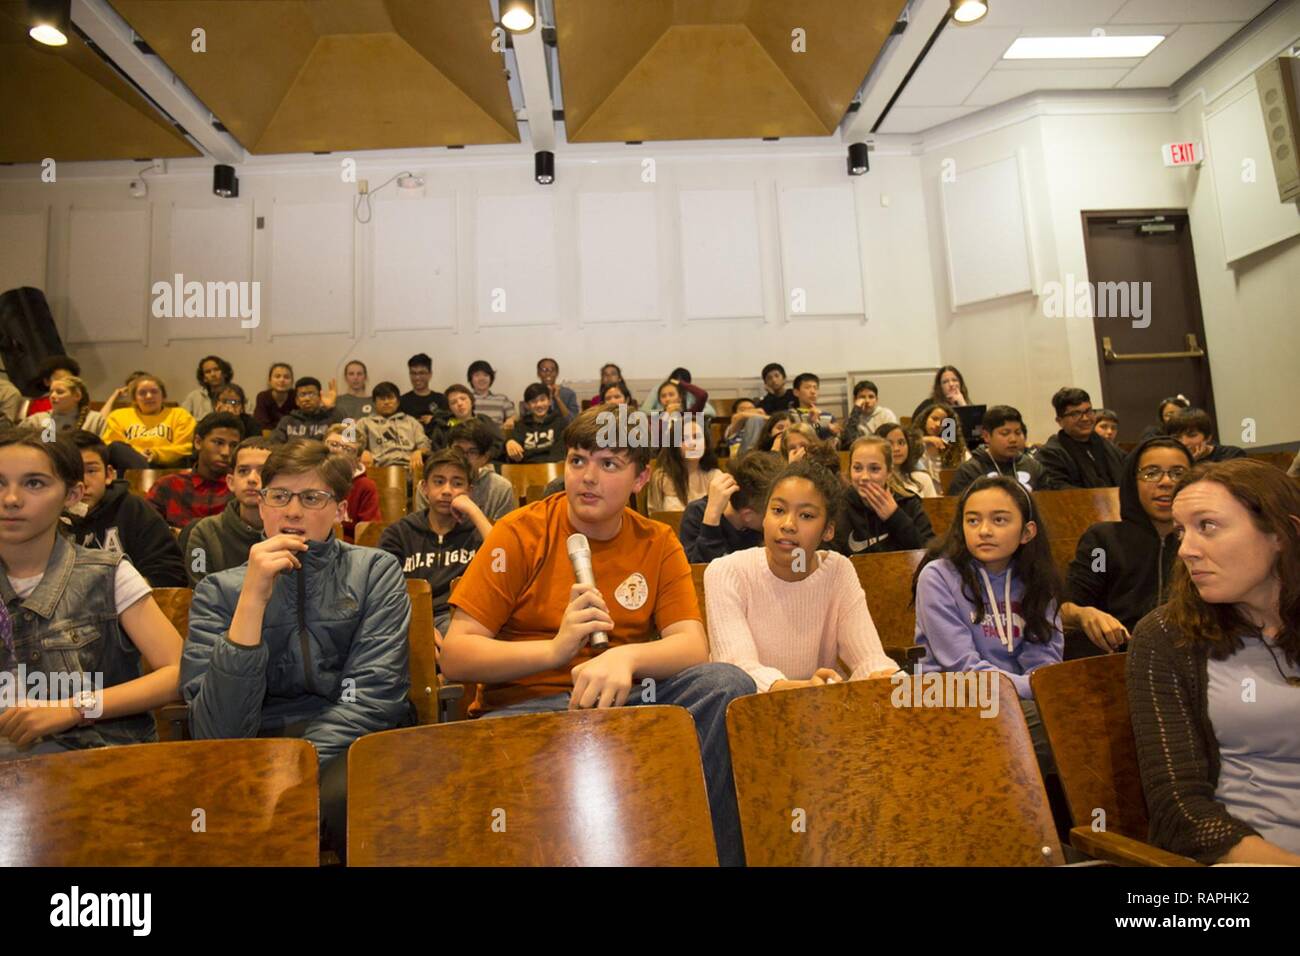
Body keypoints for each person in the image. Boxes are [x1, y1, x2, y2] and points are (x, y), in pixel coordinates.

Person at [441, 404, 756, 866]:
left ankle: (702, 852)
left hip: (622, 703)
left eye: (608, 464)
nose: (587, 476)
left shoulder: (658, 541)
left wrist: (624, 660)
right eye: (577, 460)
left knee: (727, 684)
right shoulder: (518, 533)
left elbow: (692, 644)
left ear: (640, 479)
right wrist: (554, 650)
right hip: (531, 710)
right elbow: (456, 655)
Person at [181, 439, 412, 862]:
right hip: (254, 744)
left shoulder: (375, 571)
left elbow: (376, 695)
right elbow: (217, 732)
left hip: (351, 742)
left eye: (311, 497)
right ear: (262, 504)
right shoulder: (219, 590)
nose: (292, 511)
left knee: (351, 799)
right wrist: (251, 600)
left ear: (340, 509)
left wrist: (296, 765)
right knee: (204, 809)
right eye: (279, 496)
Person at [1127, 459, 1300, 864]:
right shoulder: (1166, 638)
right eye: (1182, 531)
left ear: (1281, 532)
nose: (1186, 549)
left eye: (1208, 526)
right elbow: (1180, 810)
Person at [0, 429, 183, 759]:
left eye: (34, 483)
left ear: (72, 495)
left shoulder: (107, 573)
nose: (11, 499)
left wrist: (75, 708)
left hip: (97, 764)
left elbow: (176, 673)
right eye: (0, 483)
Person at [706, 458, 898, 693]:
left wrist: (886, 675)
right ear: (764, 517)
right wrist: (800, 689)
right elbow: (738, 670)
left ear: (828, 530)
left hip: (820, 713)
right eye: (778, 510)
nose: (788, 524)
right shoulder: (727, 572)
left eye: (806, 515)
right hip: (747, 718)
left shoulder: (838, 570)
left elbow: (868, 658)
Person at [912, 475, 1063, 769]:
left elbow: (1045, 664)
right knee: (1051, 733)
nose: (984, 531)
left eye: (999, 520)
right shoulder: (938, 577)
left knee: (1077, 723)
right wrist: (1036, 691)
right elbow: (962, 666)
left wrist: (1039, 691)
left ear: (1027, 532)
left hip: (1019, 700)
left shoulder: (1039, 580)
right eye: (972, 521)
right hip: (951, 695)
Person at [1060, 438, 1193, 659]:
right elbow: (1067, 606)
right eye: (1151, 473)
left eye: (1178, 473)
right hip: (1118, 660)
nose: (1166, 482)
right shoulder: (1103, 543)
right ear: (1133, 481)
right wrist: (1084, 614)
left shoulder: (1204, 542)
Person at [380, 448, 493, 634]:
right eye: (439, 482)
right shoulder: (399, 534)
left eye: (457, 483)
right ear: (425, 487)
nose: (447, 491)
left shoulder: (478, 533)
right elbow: (383, 593)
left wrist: (474, 512)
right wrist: (421, 629)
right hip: (408, 620)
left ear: (469, 491)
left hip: (461, 623)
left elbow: (505, 564)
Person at [63, 430, 187, 588]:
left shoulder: (133, 509)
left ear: (109, 475)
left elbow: (170, 572)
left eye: (91, 471)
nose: (83, 482)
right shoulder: (48, 513)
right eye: (72, 472)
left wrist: (126, 593)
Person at [178, 437, 273, 586]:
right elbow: (201, 592)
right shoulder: (203, 533)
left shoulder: (290, 530)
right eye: (243, 471)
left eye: (262, 472)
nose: (252, 479)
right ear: (230, 482)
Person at [832, 436, 933, 555]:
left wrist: (895, 516)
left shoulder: (908, 503)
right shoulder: (838, 505)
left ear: (889, 472)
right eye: (857, 468)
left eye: (874, 469)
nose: (864, 477)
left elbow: (929, 553)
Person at [678, 451, 783, 563]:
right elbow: (699, 572)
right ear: (748, 516)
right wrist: (711, 519)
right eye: (778, 511)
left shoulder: (762, 523)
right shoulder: (697, 513)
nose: (782, 519)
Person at [146, 411, 241, 529]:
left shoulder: (240, 489)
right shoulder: (168, 486)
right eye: (218, 443)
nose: (226, 452)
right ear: (198, 442)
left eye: (233, 445)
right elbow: (146, 533)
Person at [946, 405, 1049, 496]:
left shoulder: (1034, 467)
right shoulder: (970, 471)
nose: (1013, 439)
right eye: (1005, 433)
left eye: (1018, 433)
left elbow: (1048, 505)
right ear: (986, 436)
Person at [1034, 387, 1125, 489]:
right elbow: (1060, 490)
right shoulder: (1051, 454)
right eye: (1075, 414)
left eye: (1088, 411)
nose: (1085, 418)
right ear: (1060, 421)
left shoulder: (1105, 445)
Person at [101, 374, 196, 468]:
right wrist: (138, 455)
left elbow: (185, 448)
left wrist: (155, 454)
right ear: (134, 399)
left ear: (163, 396)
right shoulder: (118, 416)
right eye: (142, 393)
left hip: (167, 467)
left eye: (154, 391)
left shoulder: (180, 415)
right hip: (129, 469)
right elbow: (112, 446)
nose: (149, 396)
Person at [647, 417, 721, 512]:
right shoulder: (661, 478)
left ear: (706, 443)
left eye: (696, 437)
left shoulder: (716, 476)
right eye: (684, 439)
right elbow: (654, 516)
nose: (692, 443)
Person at [449, 419, 517, 521]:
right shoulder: (433, 484)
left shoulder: (500, 488)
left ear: (484, 458)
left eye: (472, 452)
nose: (462, 457)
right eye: (458, 450)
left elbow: (503, 534)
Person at [356, 382, 429, 472]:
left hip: (409, 468)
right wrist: (363, 452)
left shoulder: (411, 422)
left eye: (390, 398)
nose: (386, 402)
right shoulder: (365, 422)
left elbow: (425, 444)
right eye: (382, 399)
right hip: (378, 469)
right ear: (374, 402)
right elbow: (352, 445)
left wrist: (419, 452)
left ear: (398, 402)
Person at [324, 424, 379, 541]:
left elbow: (369, 533)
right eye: (333, 445)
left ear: (358, 458)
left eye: (347, 449)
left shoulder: (365, 486)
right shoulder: (308, 478)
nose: (338, 451)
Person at [428, 384, 504, 456]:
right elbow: (437, 452)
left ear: (471, 401)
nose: (460, 403)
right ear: (449, 408)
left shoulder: (483, 420)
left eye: (463, 399)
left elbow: (498, 444)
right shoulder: (442, 426)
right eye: (453, 402)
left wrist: (484, 457)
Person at [22, 374, 107, 439]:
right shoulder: (37, 420)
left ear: (77, 396)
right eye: (51, 392)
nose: (52, 396)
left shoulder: (95, 420)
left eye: (60, 392)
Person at [505, 383, 567, 463]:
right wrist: (509, 442)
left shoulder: (559, 422)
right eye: (533, 401)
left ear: (550, 401)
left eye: (542, 400)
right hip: (526, 470)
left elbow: (558, 454)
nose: (539, 405)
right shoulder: (522, 425)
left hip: (551, 469)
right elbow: (514, 442)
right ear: (527, 405)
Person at [272, 377, 347, 443]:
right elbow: (275, 445)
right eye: (302, 395)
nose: (307, 399)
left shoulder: (331, 417)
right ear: (297, 401)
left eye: (311, 394)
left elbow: (349, 436)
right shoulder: (287, 421)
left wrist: (331, 407)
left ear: (319, 397)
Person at [877, 422, 939, 498]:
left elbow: (932, 508)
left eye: (901, 443)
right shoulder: (874, 479)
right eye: (889, 444)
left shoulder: (922, 478)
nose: (896, 449)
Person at [914, 400, 969, 485]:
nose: (938, 424)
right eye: (934, 419)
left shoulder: (956, 448)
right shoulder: (914, 444)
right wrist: (926, 439)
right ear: (925, 419)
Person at [1165, 408, 1248, 463]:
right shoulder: (1172, 462)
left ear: (1208, 437)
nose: (1184, 442)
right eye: (1176, 437)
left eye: (1192, 435)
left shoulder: (1232, 455)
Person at [839, 380, 898, 448]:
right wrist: (856, 410)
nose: (867, 401)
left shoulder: (886, 414)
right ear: (855, 400)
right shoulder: (852, 418)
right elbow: (848, 444)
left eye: (871, 397)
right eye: (862, 397)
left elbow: (892, 439)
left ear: (877, 399)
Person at [400, 352, 450, 427]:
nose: (417, 378)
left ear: (430, 374)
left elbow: (449, 425)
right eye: (413, 373)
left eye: (422, 373)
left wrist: (435, 420)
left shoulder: (441, 399)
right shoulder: (402, 401)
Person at [181, 355, 234, 420]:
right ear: (204, 378)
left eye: (216, 369)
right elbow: (181, 421)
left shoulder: (236, 395)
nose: (213, 374)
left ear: (225, 373)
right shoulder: (194, 397)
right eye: (208, 372)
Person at [466, 360, 514, 426]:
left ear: (491, 378)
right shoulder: (466, 399)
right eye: (477, 375)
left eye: (485, 375)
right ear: (470, 379)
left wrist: (510, 420)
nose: (481, 378)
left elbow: (513, 416)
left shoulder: (502, 399)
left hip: (496, 434)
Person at [790, 373, 838, 439]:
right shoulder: (790, 417)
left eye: (815, 388)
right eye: (807, 387)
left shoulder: (828, 417)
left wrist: (833, 433)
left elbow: (835, 444)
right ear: (796, 392)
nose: (813, 392)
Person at [532, 357, 579, 421]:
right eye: (544, 370)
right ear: (538, 373)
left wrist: (558, 399)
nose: (548, 373)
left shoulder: (569, 393)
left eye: (552, 370)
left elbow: (573, 420)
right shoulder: (533, 392)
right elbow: (528, 419)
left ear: (557, 373)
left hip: (563, 430)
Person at [253, 362, 296, 430]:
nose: (282, 380)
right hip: (268, 437)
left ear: (292, 382)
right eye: (277, 376)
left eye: (286, 377)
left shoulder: (296, 397)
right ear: (270, 381)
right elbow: (261, 424)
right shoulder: (263, 397)